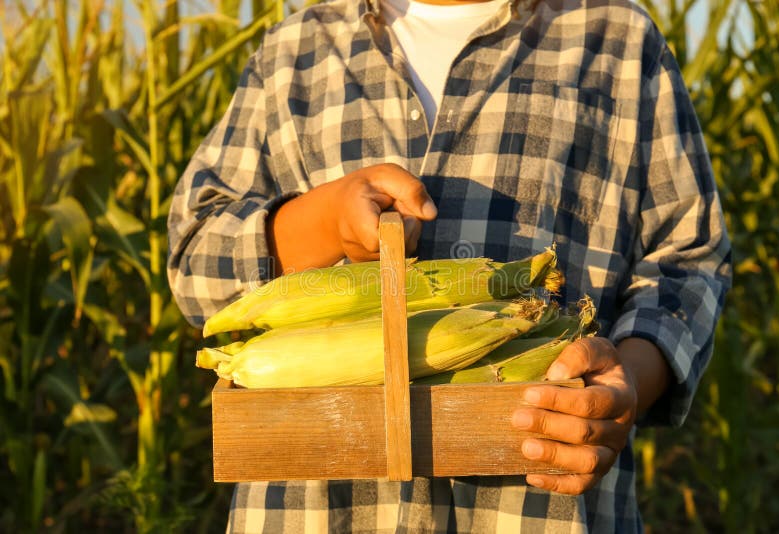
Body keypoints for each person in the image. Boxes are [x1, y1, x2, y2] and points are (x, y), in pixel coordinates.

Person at [167, 0, 732, 530]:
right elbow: (195, 263)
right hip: (314, 511)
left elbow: (687, 263)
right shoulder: (296, 51)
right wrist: (324, 223)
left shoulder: (619, 41)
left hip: (538, 509)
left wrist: (627, 380)